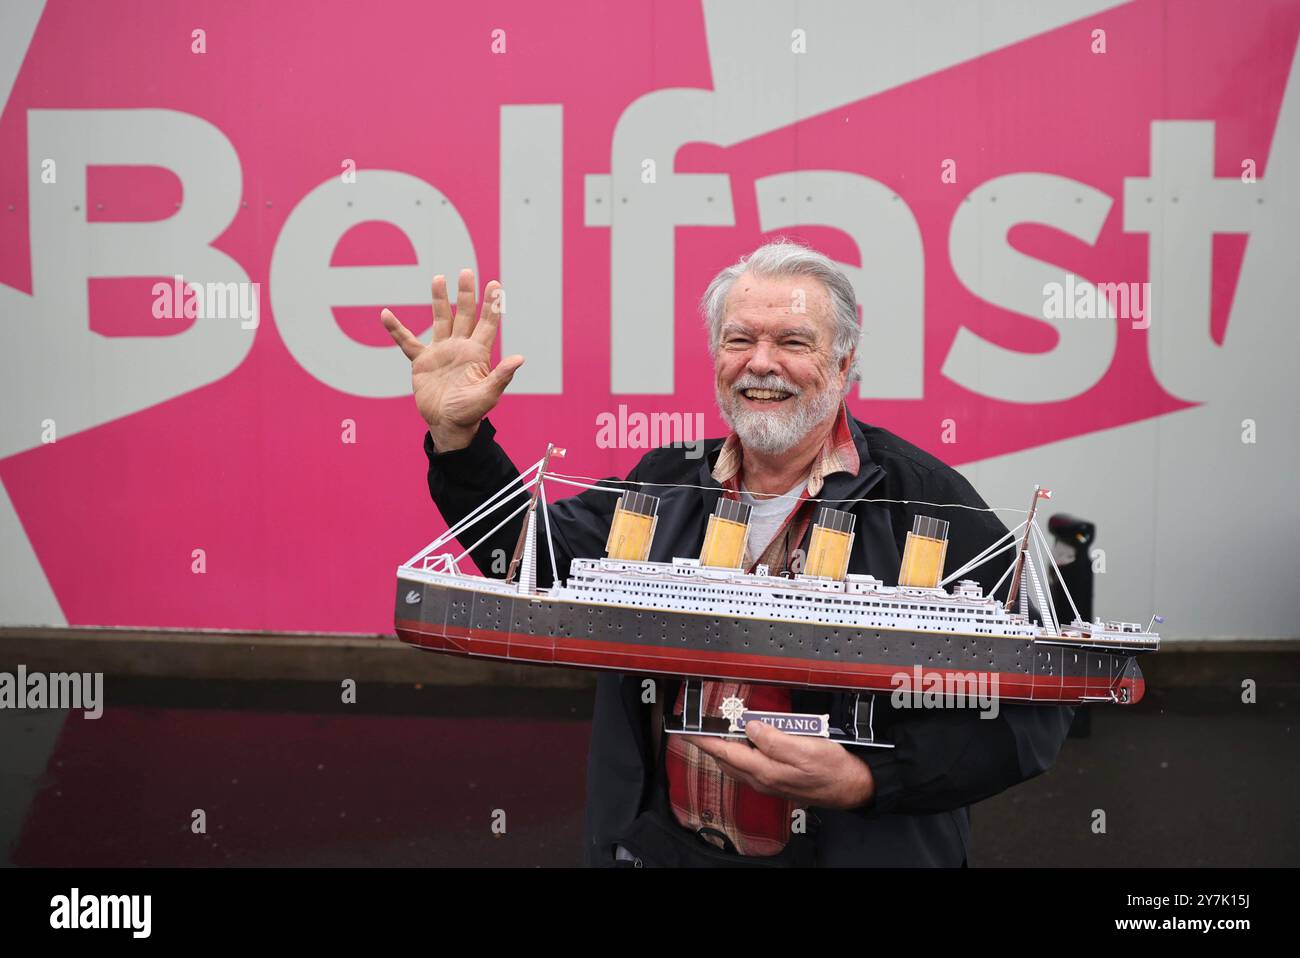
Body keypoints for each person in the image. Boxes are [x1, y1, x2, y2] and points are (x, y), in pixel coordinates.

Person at [381, 240, 1074, 867]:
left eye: (793, 341)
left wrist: (867, 780)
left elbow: (1037, 708)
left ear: (845, 363)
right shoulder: (665, 480)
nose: (762, 362)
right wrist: (460, 441)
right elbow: (532, 560)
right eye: (740, 338)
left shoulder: (927, 503)